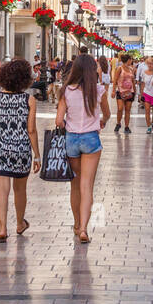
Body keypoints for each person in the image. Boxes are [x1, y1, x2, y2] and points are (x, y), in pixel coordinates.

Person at [0, 57, 40, 243]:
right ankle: (20, 223)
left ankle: (3, 228)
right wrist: (37, 156)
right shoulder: (29, 100)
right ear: (24, 79)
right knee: (20, 190)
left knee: (1, 189)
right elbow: (31, 130)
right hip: (20, 150)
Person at [56, 54, 110, 243]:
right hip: (91, 139)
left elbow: (58, 121)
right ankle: (85, 229)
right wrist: (101, 121)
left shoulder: (66, 91)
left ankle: (77, 223)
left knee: (75, 184)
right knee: (87, 186)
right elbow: (107, 113)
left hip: (71, 140)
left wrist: (67, 124)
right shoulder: (98, 90)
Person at [137, 55, 153, 133]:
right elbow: (142, 84)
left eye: (151, 63)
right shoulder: (144, 72)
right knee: (147, 110)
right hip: (146, 93)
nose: (150, 65)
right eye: (148, 64)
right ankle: (148, 126)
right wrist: (140, 94)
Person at [112, 53, 136, 133]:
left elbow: (133, 81)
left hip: (130, 92)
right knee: (120, 108)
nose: (131, 61)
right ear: (128, 60)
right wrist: (113, 91)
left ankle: (126, 126)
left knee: (128, 109)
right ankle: (118, 123)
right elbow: (115, 80)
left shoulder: (131, 69)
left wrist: (135, 91)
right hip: (120, 91)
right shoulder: (119, 68)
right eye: (131, 59)